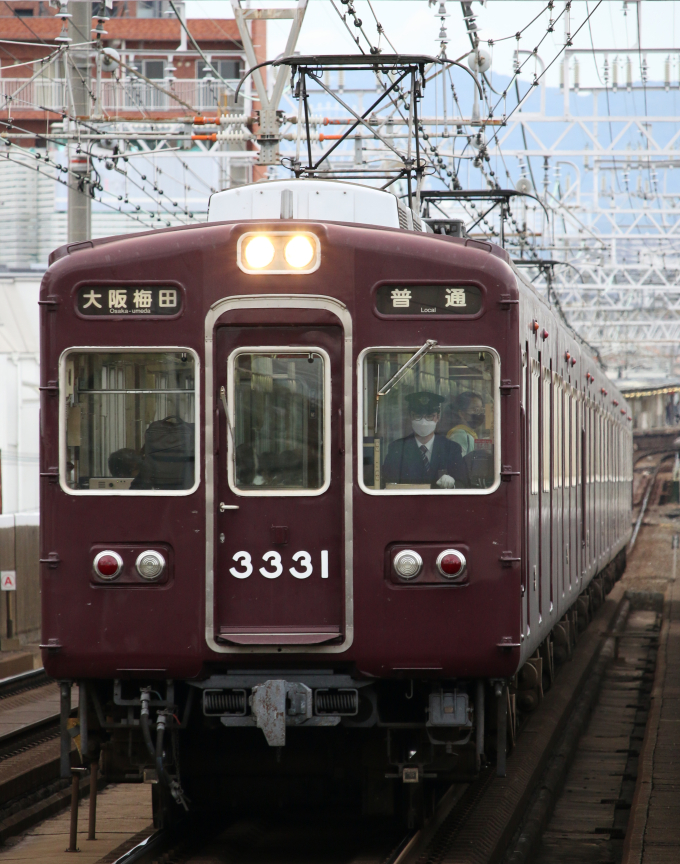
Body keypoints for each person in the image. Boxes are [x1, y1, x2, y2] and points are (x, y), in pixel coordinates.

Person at [382, 391, 468, 489]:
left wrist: (453, 484)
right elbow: (388, 482)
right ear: (410, 416)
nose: (423, 422)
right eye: (418, 416)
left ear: (438, 417)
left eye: (429, 416)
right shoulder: (397, 448)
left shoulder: (451, 448)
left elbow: (462, 483)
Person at [447, 391, 486, 456]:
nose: (480, 414)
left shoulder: (469, 433)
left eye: (481, 410)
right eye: (476, 410)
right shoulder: (460, 435)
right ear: (462, 413)